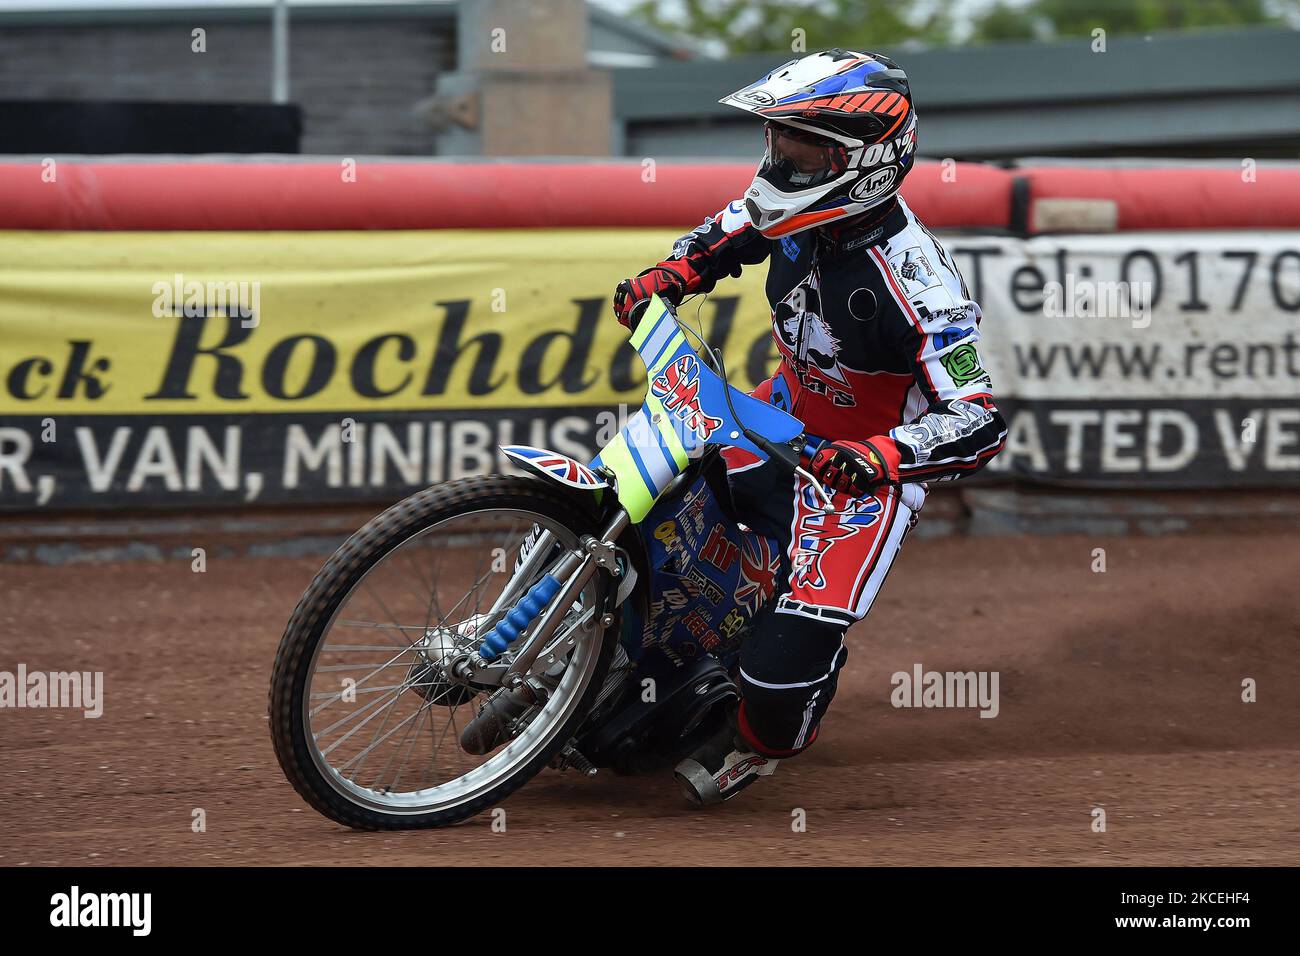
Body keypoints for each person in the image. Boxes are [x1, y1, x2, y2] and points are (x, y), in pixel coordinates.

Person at [612, 49, 1008, 806]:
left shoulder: (920, 284)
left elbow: (977, 420)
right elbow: (724, 235)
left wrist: (882, 455)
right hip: (772, 413)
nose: (782, 162)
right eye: (779, 142)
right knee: (635, 497)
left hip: (855, 475)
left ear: (865, 159)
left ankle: (769, 732)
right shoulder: (788, 207)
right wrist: (671, 273)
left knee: (773, 679)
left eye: (803, 149)